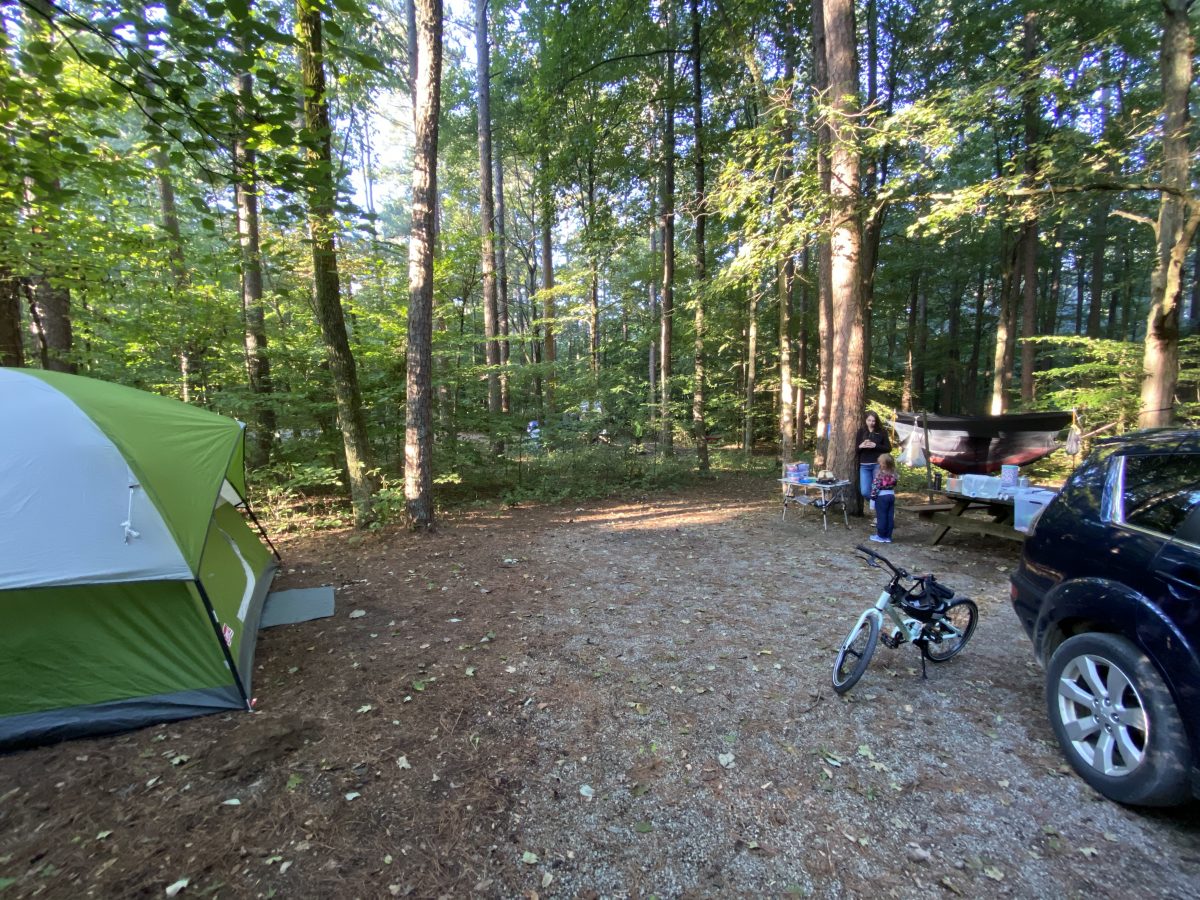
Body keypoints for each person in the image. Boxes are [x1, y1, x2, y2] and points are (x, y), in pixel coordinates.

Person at [856, 412, 891, 502]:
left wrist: (875, 445)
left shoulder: (882, 432)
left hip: (878, 465)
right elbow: (856, 450)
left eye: (873, 421)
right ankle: (876, 504)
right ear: (865, 420)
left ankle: (879, 511)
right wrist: (861, 445)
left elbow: (888, 448)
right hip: (864, 465)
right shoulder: (861, 431)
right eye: (869, 420)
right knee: (865, 492)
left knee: (878, 490)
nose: (871, 423)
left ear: (876, 421)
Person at [869, 453, 898, 543]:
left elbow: (875, 487)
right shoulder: (894, 473)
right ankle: (888, 536)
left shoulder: (879, 474)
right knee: (890, 516)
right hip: (891, 495)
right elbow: (894, 484)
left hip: (881, 496)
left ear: (883, 464)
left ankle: (881, 536)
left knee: (881, 516)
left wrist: (873, 498)